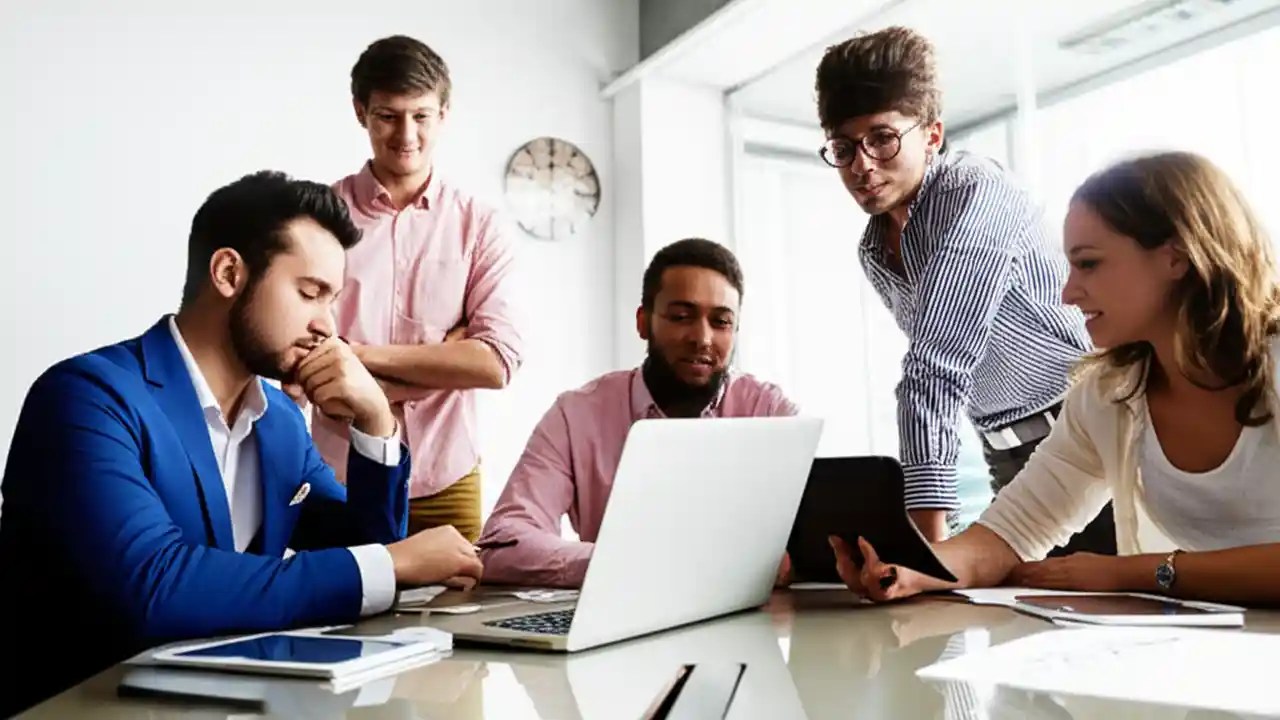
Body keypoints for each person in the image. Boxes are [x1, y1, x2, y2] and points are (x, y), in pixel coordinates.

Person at [0, 171, 483, 715]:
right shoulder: (86, 397)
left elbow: (366, 547)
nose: (327, 327)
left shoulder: (280, 421)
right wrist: (389, 565)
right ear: (229, 273)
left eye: (332, 301)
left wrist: (375, 420)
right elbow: (154, 589)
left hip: (224, 704)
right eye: (309, 294)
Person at [833, 151, 1280, 607]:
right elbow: (1010, 531)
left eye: (1089, 264)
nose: (1068, 293)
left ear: (1176, 257)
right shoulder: (1108, 395)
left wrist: (1132, 572)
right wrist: (908, 569)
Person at [814, 27, 1109, 549]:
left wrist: (924, 555)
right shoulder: (873, 249)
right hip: (1003, 453)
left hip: (1088, 438)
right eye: (844, 147)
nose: (862, 166)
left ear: (931, 135)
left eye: (882, 138)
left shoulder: (975, 194)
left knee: (1109, 600)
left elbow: (935, 370)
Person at [476, 239, 798, 587]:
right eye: (681, 317)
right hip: (620, 609)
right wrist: (632, 563)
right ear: (643, 323)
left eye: (721, 322)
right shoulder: (576, 416)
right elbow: (503, 543)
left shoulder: (768, 412)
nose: (703, 338)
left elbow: (813, 537)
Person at [305, 35, 525, 543]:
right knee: (347, 595)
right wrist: (442, 363)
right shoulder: (318, 218)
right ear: (361, 112)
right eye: (388, 116)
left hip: (448, 477)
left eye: (421, 116)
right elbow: (306, 363)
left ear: (443, 115)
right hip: (343, 475)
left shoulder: (479, 225)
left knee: (457, 597)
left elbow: (495, 363)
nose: (406, 134)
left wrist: (357, 358)